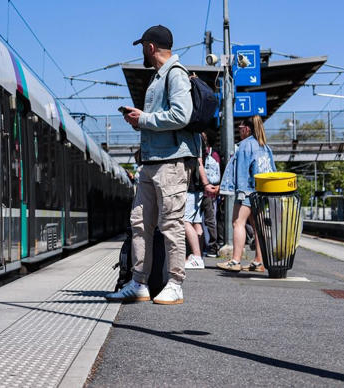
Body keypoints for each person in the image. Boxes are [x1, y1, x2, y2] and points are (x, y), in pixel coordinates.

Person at [106, 25, 199, 305]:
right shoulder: (159, 77)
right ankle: (139, 283)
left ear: (150, 47)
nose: (142, 54)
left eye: (142, 48)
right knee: (139, 223)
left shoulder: (175, 74)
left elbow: (182, 115)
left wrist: (144, 119)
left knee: (171, 224)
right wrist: (139, 121)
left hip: (171, 163)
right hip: (151, 162)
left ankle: (175, 283)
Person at [216, 115, 276, 272]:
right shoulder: (265, 147)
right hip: (262, 192)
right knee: (258, 227)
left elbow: (242, 170)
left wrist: (240, 192)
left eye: (240, 128)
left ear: (247, 129)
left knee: (238, 223)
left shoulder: (245, 146)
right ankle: (258, 262)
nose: (239, 131)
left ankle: (235, 260)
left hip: (248, 191)